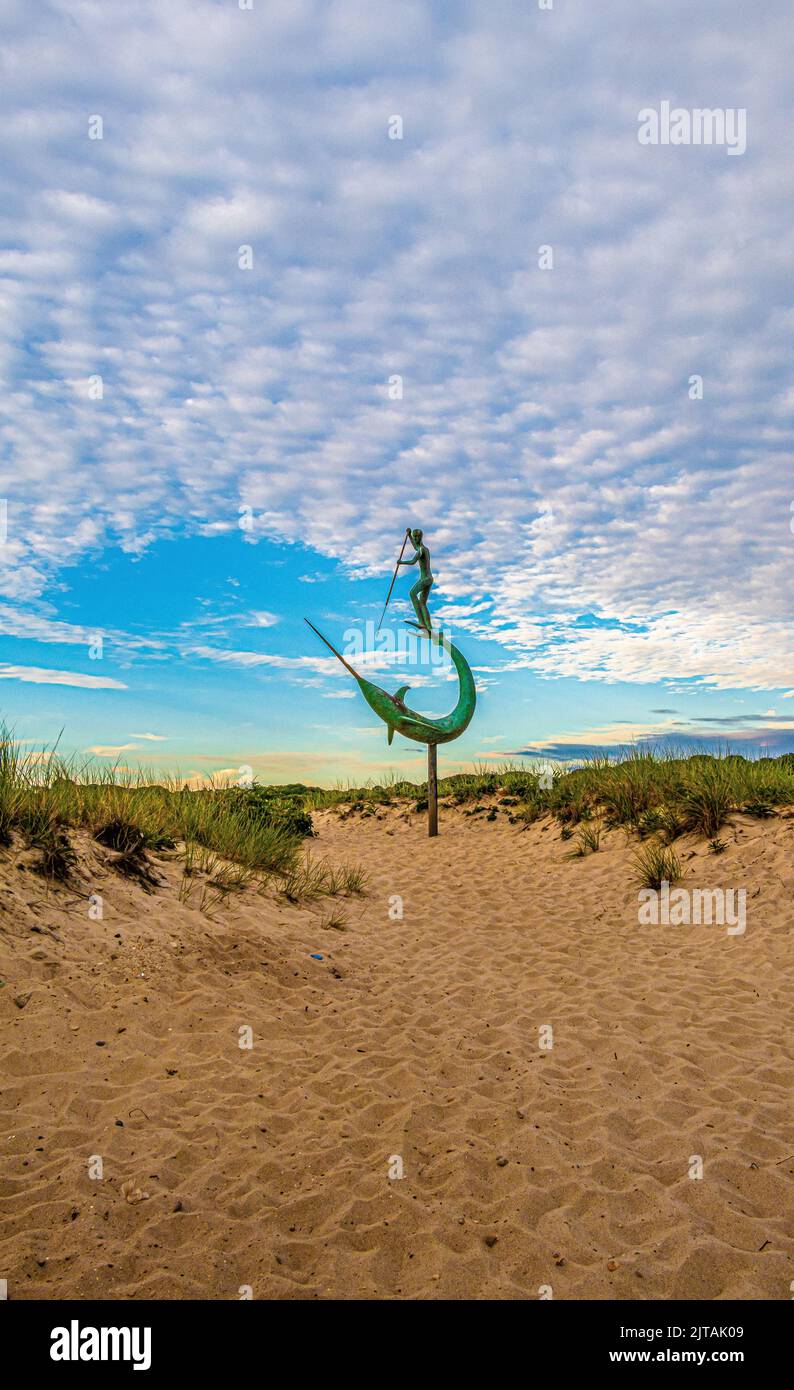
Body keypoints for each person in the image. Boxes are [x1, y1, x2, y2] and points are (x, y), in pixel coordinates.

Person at [398, 527, 434, 634]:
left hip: (425, 579)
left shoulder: (422, 550)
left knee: (412, 593)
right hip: (429, 579)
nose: (416, 538)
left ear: (421, 537)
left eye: (418, 536)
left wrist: (401, 562)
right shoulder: (424, 549)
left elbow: (413, 561)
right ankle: (429, 627)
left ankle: (422, 622)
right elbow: (415, 546)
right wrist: (409, 535)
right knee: (422, 603)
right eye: (415, 537)